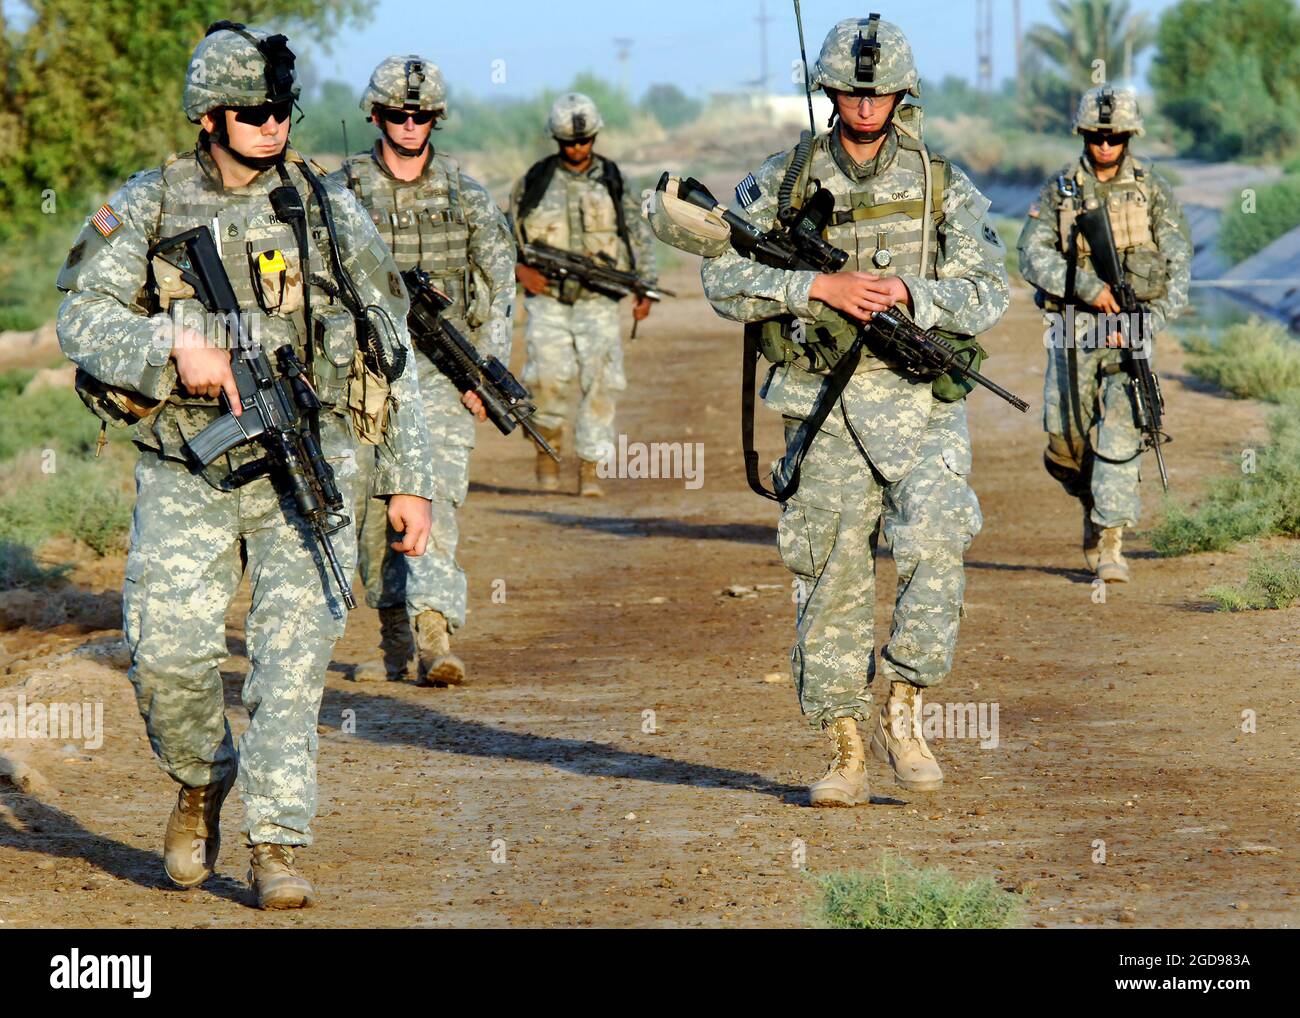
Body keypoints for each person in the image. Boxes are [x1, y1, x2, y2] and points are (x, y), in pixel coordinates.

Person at [54, 22, 435, 908]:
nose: (275, 127)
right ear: (211, 115)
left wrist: (410, 480)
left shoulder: (326, 205)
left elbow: (391, 341)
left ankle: (275, 843)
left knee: (289, 667)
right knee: (167, 656)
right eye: (257, 112)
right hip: (188, 465)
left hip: (308, 466)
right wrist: (171, 343)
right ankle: (200, 777)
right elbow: (81, 315)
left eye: (284, 110)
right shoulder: (148, 205)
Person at [666, 16, 1009, 805]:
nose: (865, 103)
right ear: (829, 90)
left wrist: (910, 293)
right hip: (820, 408)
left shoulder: (940, 183)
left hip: (921, 406)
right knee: (830, 577)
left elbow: (990, 290)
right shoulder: (783, 181)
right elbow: (721, 280)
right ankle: (845, 748)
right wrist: (814, 288)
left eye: (879, 89)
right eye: (852, 89)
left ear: (901, 93)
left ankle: (905, 708)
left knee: (938, 543)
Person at [332, 55, 515, 686]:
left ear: (434, 119)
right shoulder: (341, 193)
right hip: (359, 377)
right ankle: (392, 641)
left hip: (440, 374)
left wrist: (484, 372)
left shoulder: (466, 195)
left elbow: (498, 284)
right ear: (376, 115)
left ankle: (435, 632)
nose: (410, 125)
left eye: (421, 115)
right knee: (368, 515)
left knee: (434, 502)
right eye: (397, 114)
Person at [1018, 85, 1191, 582]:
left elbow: (1178, 265)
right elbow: (1033, 253)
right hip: (1072, 328)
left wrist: (1147, 322)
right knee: (1065, 444)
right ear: (1084, 135)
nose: (1106, 146)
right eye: (1097, 136)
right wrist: (1087, 286)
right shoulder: (1061, 189)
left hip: (1130, 330)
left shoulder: (1151, 188)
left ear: (1129, 137)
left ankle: (1111, 541)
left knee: (1121, 427)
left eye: (1115, 137)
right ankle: (1092, 499)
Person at [509, 92, 658, 496]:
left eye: (585, 140)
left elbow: (637, 234)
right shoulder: (535, 181)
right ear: (556, 140)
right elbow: (505, 238)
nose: (578, 148)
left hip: (599, 300)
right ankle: (547, 446)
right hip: (549, 300)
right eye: (569, 141)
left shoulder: (614, 179)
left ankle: (591, 467)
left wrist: (644, 286)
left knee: (603, 382)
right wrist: (520, 271)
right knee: (545, 379)